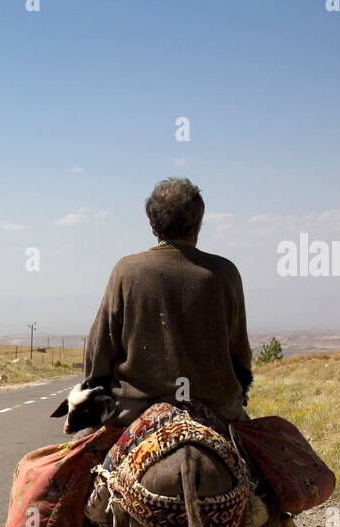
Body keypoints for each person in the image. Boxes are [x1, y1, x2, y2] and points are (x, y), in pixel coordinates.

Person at [82, 177, 253, 427]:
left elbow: (99, 350)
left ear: (152, 225)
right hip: (219, 410)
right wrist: (241, 386)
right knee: (275, 456)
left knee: (61, 462)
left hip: (135, 412)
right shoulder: (225, 272)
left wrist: (95, 386)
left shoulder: (127, 270)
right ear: (199, 222)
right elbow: (241, 354)